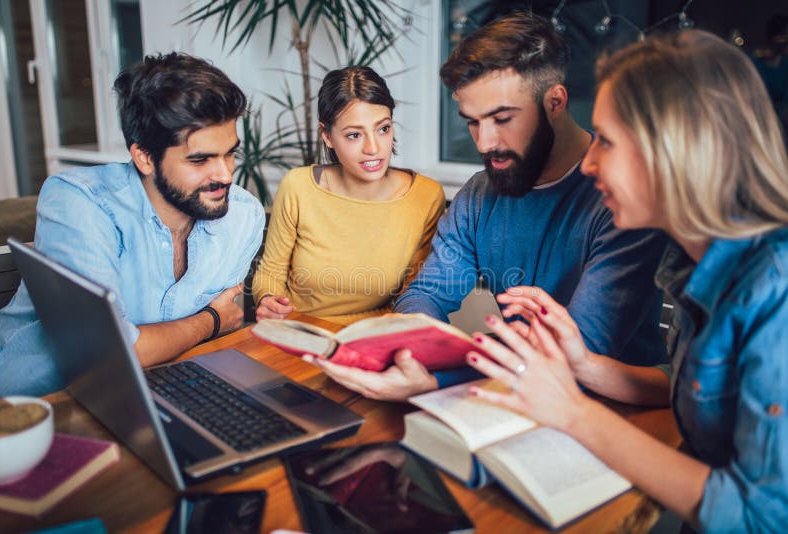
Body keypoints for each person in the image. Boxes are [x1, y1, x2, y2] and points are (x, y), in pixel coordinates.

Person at [468, 29, 788, 531]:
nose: (589, 161)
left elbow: (763, 516)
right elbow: (686, 385)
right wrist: (585, 364)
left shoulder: (777, 292)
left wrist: (576, 414)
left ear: (680, 151)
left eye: (608, 142)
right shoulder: (695, 260)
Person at [305, 12, 666, 400]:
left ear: (555, 102)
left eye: (502, 119)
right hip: (511, 394)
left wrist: (438, 379)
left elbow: (580, 355)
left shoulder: (622, 200)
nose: (483, 143)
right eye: (472, 122)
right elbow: (429, 292)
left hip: (621, 414)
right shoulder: (480, 194)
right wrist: (411, 349)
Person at [0, 53, 265, 397]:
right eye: (200, 160)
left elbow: (227, 322)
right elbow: (110, 355)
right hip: (30, 404)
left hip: (155, 394)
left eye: (229, 153)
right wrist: (209, 322)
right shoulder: (79, 202)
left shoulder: (243, 216)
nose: (224, 174)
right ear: (144, 157)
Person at [251, 66, 445, 325]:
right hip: (299, 331)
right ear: (327, 136)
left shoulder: (425, 196)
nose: (373, 148)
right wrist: (269, 300)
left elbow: (414, 294)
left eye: (383, 129)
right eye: (354, 135)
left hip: (376, 335)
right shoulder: (297, 187)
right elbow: (270, 272)